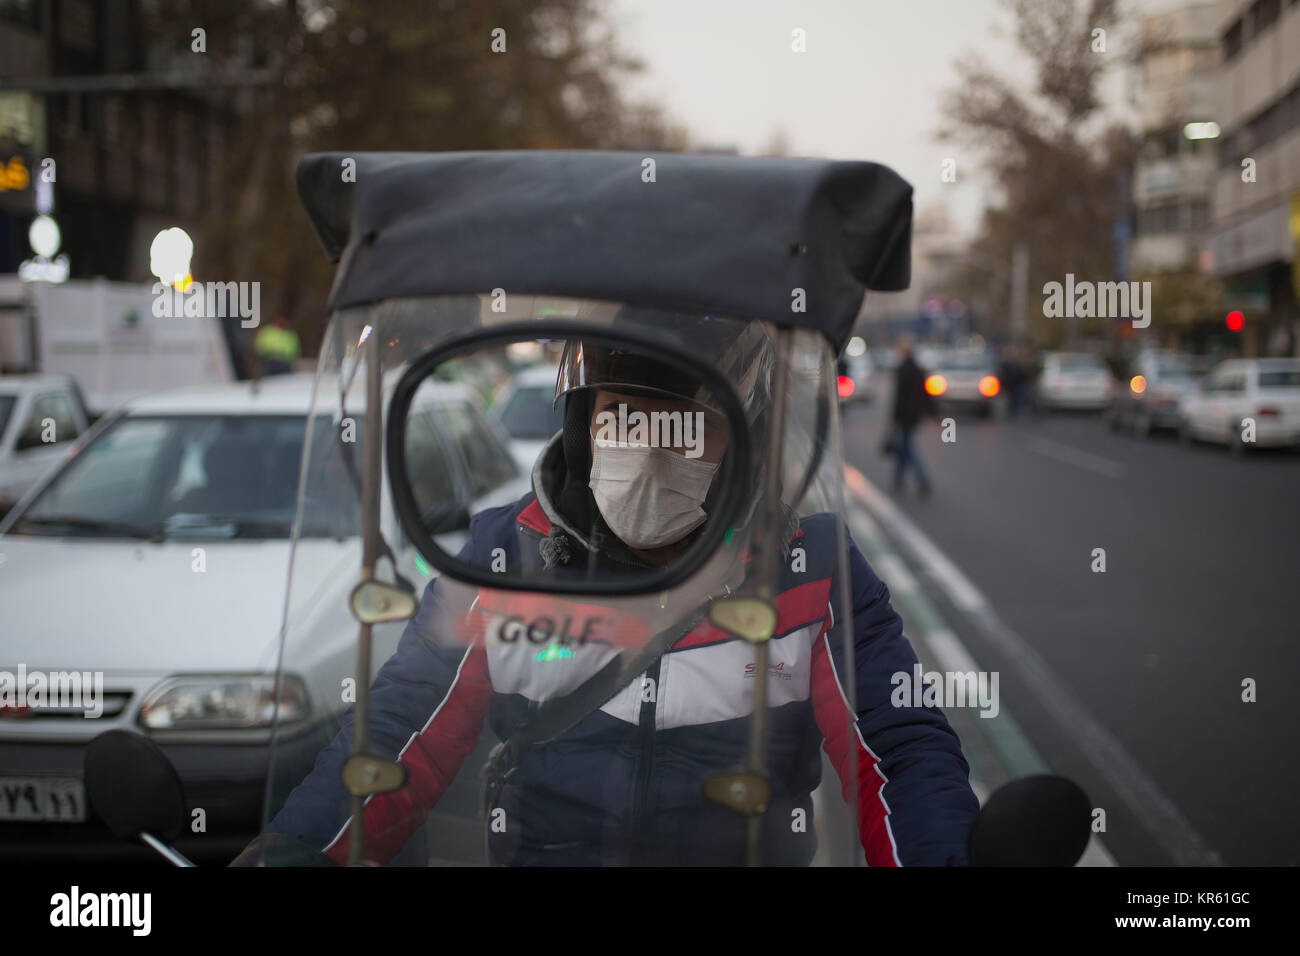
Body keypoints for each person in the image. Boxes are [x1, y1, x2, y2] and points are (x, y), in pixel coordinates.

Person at [243, 319, 977, 867]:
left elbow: (899, 749)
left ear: (743, 438)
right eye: (624, 417)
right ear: (583, 422)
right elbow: (398, 727)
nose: (652, 452)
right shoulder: (507, 557)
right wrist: (298, 850)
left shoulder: (810, 567)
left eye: (688, 426)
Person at [889, 338, 936, 496]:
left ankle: (921, 477)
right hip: (914, 415)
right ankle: (898, 479)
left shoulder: (902, 369)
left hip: (904, 415)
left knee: (906, 448)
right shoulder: (917, 369)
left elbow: (899, 397)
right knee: (904, 445)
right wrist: (931, 412)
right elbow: (924, 394)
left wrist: (894, 417)